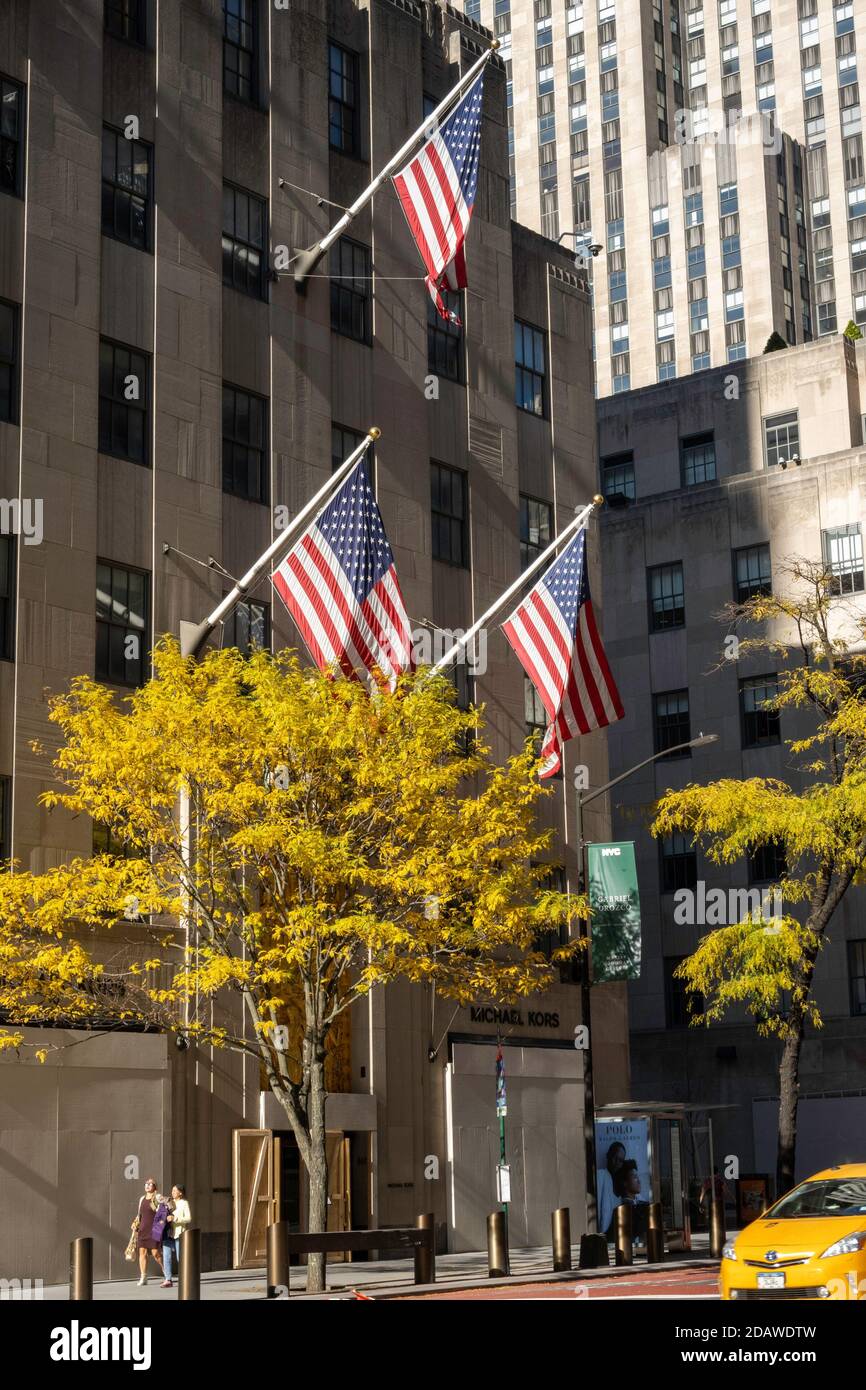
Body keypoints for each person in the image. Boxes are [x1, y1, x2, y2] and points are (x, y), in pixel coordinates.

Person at [132, 1178, 164, 1287]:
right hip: (143, 1229)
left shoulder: (158, 1197)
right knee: (142, 1253)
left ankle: (166, 1272)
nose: (147, 1185)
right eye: (146, 1183)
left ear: (155, 1187)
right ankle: (143, 1277)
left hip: (155, 1229)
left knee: (156, 1253)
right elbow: (139, 1214)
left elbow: (163, 1212)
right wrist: (136, 1224)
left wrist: (160, 1227)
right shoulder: (142, 1199)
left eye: (150, 1184)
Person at [160, 1185, 192, 1289]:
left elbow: (188, 1218)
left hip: (179, 1234)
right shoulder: (167, 1202)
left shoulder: (184, 1203)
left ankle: (184, 1278)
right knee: (166, 1257)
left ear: (180, 1193)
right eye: (172, 1190)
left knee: (180, 1258)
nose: (172, 1192)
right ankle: (168, 1279)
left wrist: (175, 1218)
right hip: (167, 1233)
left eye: (175, 1190)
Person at [597, 1141, 626, 1239]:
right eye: (615, 1157)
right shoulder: (600, 1175)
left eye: (620, 1160)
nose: (617, 1162)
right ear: (608, 1156)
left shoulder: (621, 1183)